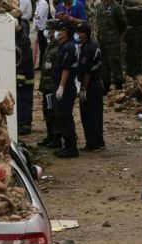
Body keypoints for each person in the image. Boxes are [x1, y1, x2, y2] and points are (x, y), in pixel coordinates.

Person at [52, 22, 80, 158]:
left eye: (61, 30)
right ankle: (67, 145)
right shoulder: (62, 46)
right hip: (61, 85)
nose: (59, 32)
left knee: (65, 116)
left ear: (66, 32)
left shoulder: (69, 47)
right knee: (60, 116)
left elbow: (66, 69)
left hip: (66, 87)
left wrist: (61, 87)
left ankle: (71, 147)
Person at [76, 23, 105, 151]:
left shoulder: (87, 49)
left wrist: (83, 89)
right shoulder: (94, 46)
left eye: (81, 33)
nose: (78, 35)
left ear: (86, 33)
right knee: (97, 114)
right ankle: (98, 141)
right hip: (97, 84)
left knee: (89, 115)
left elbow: (87, 72)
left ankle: (93, 143)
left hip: (91, 85)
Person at [38, 19, 63, 148]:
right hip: (46, 84)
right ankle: (50, 135)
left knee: (54, 112)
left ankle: (57, 138)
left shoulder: (59, 46)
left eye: (50, 30)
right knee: (47, 111)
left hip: (53, 84)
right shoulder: (51, 44)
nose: (48, 32)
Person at [94, 0, 126, 90]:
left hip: (113, 40)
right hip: (102, 40)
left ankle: (118, 85)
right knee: (104, 63)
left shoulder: (116, 7)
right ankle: (106, 85)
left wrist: (117, 35)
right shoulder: (99, 6)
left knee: (115, 62)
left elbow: (122, 23)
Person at [15, 19, 35, 135]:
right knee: (20, 101)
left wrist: (20, 77)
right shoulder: (18, 38)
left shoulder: (23, 40)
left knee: (24, 101)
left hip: (25, 78)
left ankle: (25, 124)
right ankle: (21, 122)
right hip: (20, 76)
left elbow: (25, 60)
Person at [33, 0, 50, 69]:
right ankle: (41, 65)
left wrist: (36, 16)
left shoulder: (43, 3)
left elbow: (39, 16)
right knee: (42, 48)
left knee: (44, 48)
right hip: (40, 29)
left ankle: (43, 65)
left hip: (43, 28)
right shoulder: (39, 3)